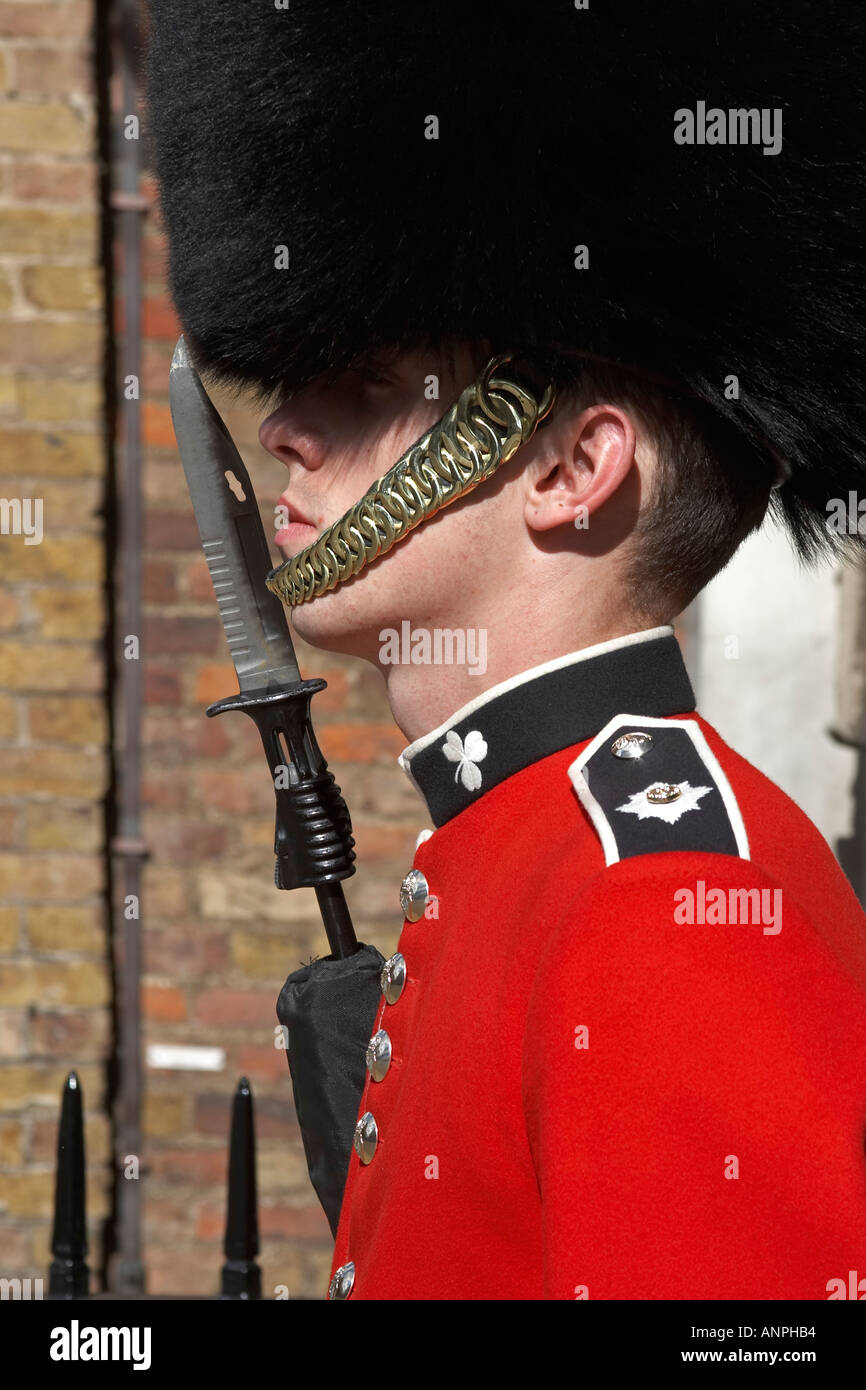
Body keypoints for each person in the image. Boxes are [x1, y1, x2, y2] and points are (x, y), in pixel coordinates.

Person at [146, 1, 866, 1298]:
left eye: (361, 380)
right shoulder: (519, 848)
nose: (286, 430)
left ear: (569, 465)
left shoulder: (663, 897)